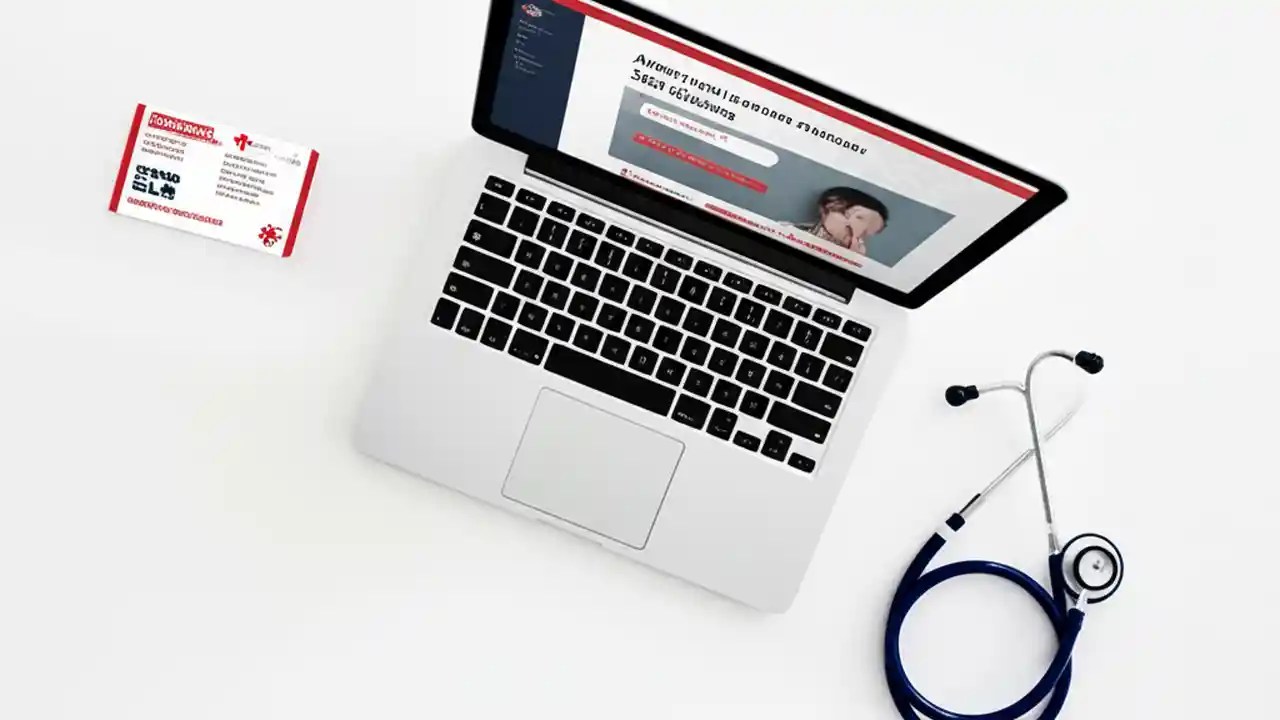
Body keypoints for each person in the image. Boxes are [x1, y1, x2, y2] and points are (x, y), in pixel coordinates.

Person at [793, 186, 889, 255]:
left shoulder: (855, 252)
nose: (858, 233)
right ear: (828, 208)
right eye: (859, 217)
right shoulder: (794, 231)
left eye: (865, 233)